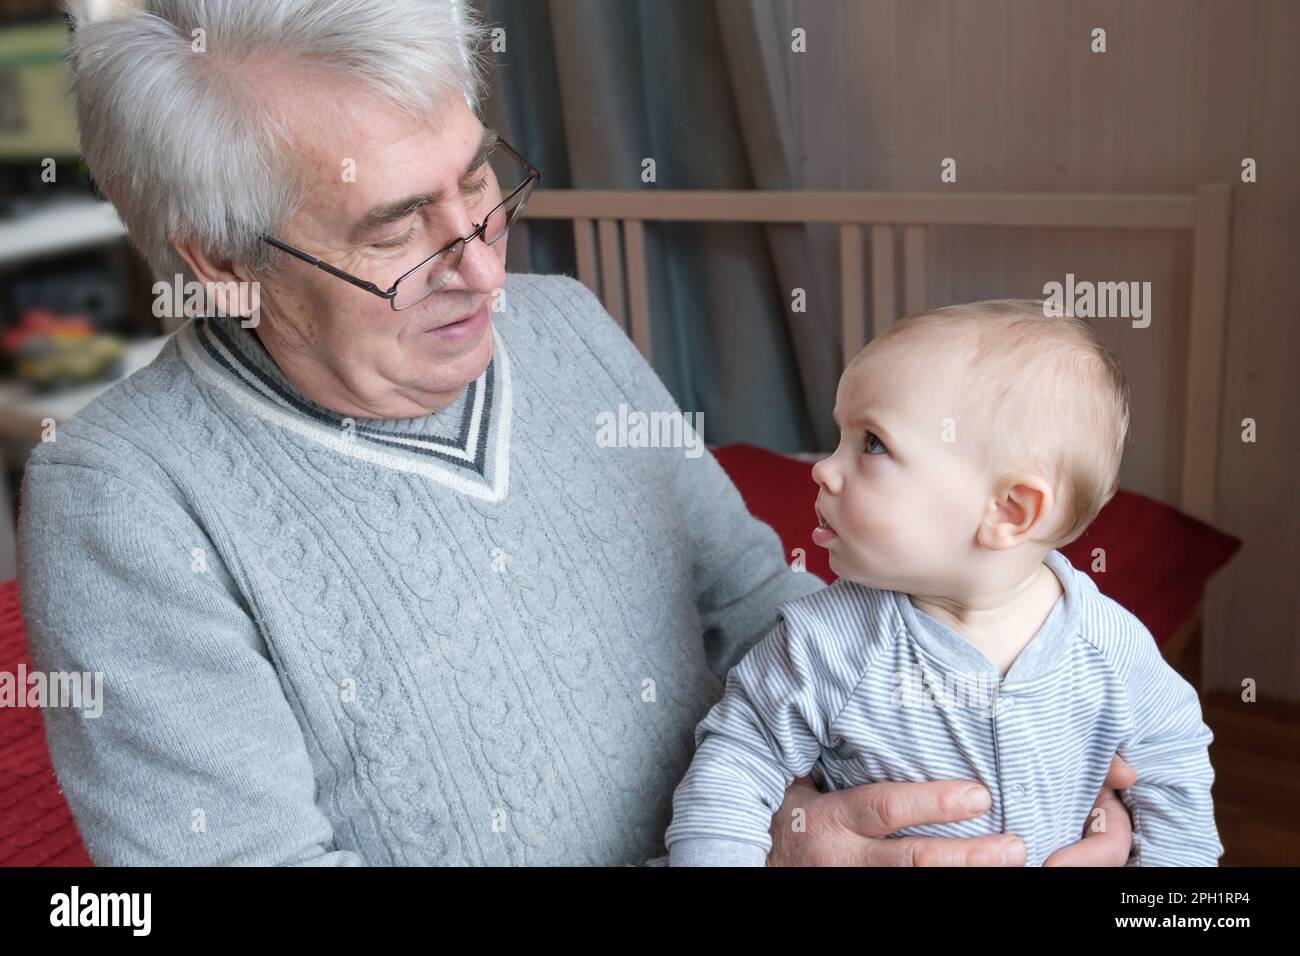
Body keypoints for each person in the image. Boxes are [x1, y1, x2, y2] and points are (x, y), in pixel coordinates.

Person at [18, 1, 1134, 865]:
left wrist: (1003, 745)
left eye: (478, 182)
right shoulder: (123, 496)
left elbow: (760, 606)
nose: (485, 264)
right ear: (219, 260)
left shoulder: (562, 328)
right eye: (400, 226)